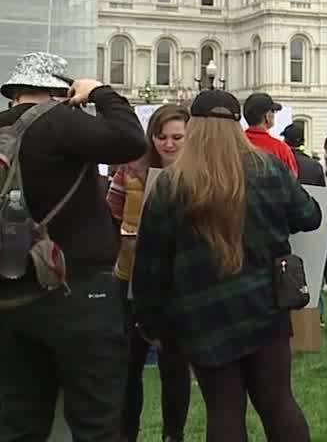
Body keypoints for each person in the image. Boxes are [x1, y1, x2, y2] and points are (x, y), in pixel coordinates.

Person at [131, 89, 321, 442]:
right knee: (278, 403)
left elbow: (150, 263)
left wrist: (150, 318)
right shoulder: (270, 169)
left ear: (195, 127)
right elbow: (310, 215)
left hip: (203, 312)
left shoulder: (171, 185)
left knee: (223, 408)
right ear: (237, 126)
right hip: (265, 305)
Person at [0, 53, 147, 441]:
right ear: (59, 92)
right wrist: (101, 92)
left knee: (19, 421)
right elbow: (130, 139)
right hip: (78, 291)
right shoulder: (59, 122)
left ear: (14, 93)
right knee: (95, 421)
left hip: (11, 297)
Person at [107, 104, 193, 442]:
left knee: (175, 367)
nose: (168, 145)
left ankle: (174, 434)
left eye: (176, 138)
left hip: (178, 283)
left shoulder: (199, 173)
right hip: (130, 278)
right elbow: (110, 216)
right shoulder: (131, 170)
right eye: (161, 137)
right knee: (128, 368)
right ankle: (127, 433)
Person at [241, 93, 298, 176]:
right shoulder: (280, 149)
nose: (274, 115)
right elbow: (292, 181)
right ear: (267, 116)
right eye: (273, 111)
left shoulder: (237, 143)